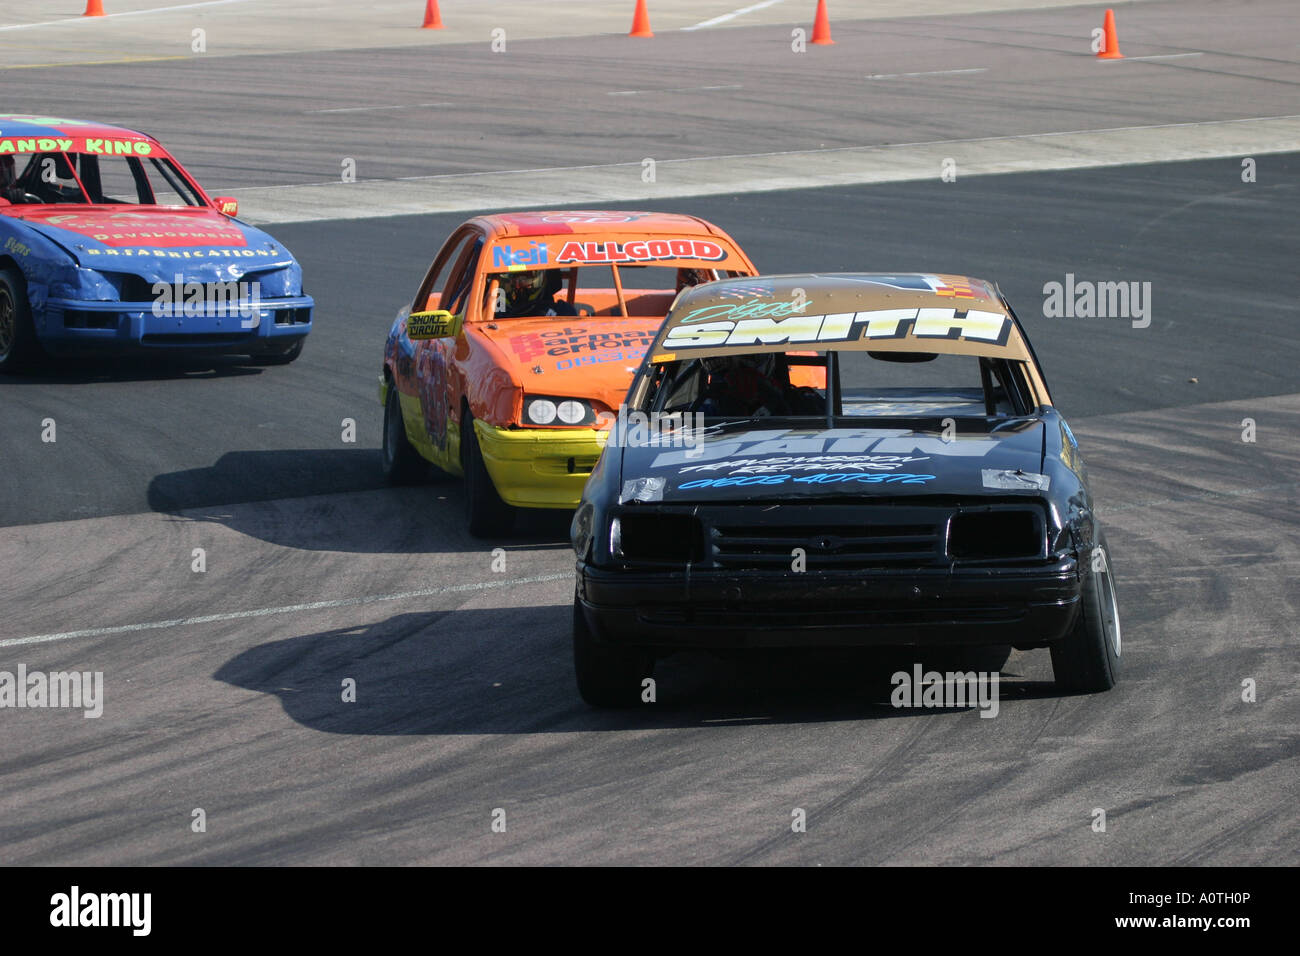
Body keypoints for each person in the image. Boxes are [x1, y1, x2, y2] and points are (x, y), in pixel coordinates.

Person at [492, 269, 576, 318]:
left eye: (525, 280)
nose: (518, 286)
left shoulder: (562, 312)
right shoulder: (489, 311)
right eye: (514, 280)